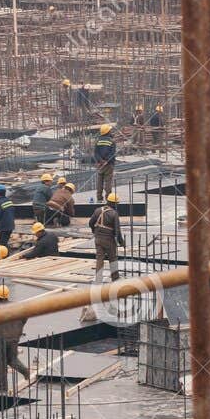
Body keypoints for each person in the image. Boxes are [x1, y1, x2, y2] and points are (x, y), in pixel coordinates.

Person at [82, 193, 125, 322]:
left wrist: (94, 232)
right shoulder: (114, 214)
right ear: (114, 203)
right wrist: (121, 242)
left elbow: (91, 222)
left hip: (98, 238)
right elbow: (117, 231)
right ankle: (115, 278)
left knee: (99, 259)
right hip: (108, 239)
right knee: (113, 259)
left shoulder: (98, 210)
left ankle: (98, 280)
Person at [0, 284, 28, 389]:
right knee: (12, 359)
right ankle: (25, 371)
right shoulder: (15, 306)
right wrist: (18, 327)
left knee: (1, 362)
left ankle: (3, 386)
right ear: (7, 295)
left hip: (1, 339)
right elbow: (25, 316)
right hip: (14, 338)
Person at [92, 123, 117, 201]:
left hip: (100, 164)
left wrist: (100, 161)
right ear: (108, 132)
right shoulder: (112, 141)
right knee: (108, 182)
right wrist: (106, 161)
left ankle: (99, 198)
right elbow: (112, 154)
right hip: (109, 165)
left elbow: (95, 153)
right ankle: (109, 198)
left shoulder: (97, 141)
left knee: (99, 181)